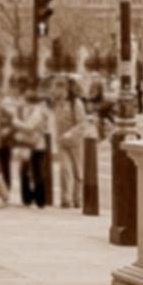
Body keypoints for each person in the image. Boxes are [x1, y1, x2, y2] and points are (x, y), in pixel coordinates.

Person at [12, 87, 50, 208]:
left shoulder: (37, 111)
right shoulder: (29, 110)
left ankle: (39, 199)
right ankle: (27, 197)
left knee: (36, 172)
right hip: (28, 144)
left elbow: (29, 127)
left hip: (36, 145)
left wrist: (16, 122)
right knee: (25, 171)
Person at [53, 76, 87, 209]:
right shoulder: (57, 104)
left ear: (65, 88)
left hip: (75, 142)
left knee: (78, 172)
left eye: (58, 87)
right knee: (64, 170)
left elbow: (82, 124)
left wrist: (70, 134)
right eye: (55, 87)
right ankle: (65, 200)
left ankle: (77, 199)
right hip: (62, 142)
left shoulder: (76, 103)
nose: (55, 90)